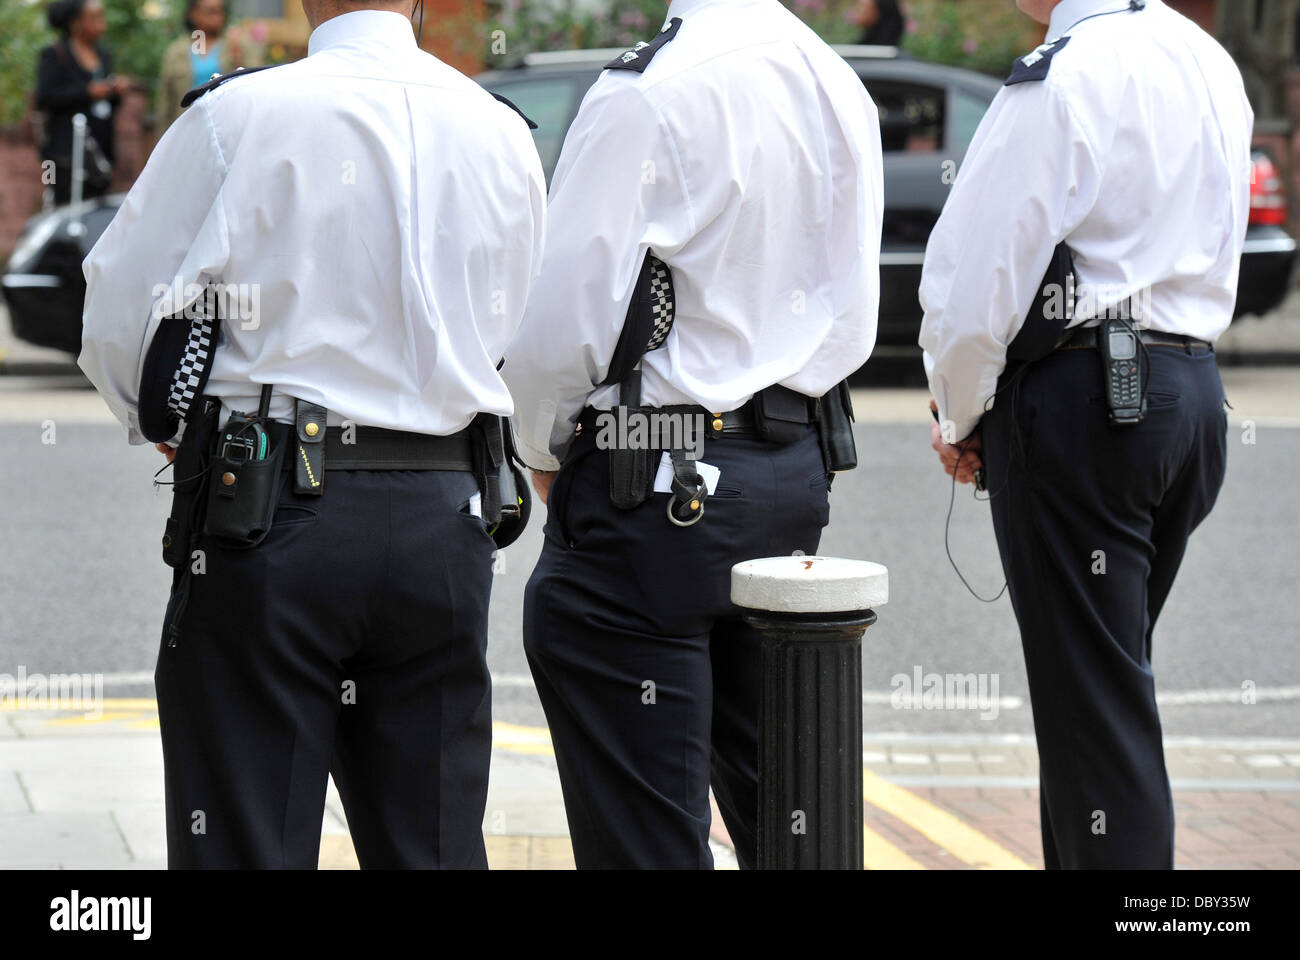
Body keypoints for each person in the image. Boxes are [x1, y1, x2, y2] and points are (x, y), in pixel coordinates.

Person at [78, 0, 545, 868]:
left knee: (246, 841)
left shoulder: (234, 117)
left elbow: (117, 314)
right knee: (433, 846)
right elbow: (516, 327)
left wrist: (170, 427)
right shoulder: (501, 130)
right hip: (444, 513)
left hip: (269, 516)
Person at [503, 0, 883, 868]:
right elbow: (850, 309)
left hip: (654, 489)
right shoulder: (834, 78)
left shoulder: (651, 87)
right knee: (788, 808)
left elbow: (560, 323)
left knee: (647, 827)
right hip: (791, 465)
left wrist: (543, 449)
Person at [919, 0, 1252, 868]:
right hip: (1186, 392)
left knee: (1095, 713)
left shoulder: (1063, 70)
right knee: (1101, 693)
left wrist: (958, 414)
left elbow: (978, 277)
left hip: (1091, 397)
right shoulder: (1204, 58)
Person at [35, 0, 130, 204]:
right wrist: (87, 92)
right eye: (94, 18)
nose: (102, 25)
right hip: (68, 153)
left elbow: (107, 106)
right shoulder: (55, 55)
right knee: (68, 206)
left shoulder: (103, 55)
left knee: (95, 208)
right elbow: (45, 97)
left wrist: (115, 92)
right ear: (76, 24)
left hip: (100, 151)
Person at [155, 0, 265, 134]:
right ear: (193, 14)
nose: (217, 17)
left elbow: (259, 83)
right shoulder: (176, 52)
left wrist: (238, 57)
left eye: (220, 11)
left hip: (227, 128)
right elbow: (166, 102)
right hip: (188, 130)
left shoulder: (237, 44)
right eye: (210, 11)